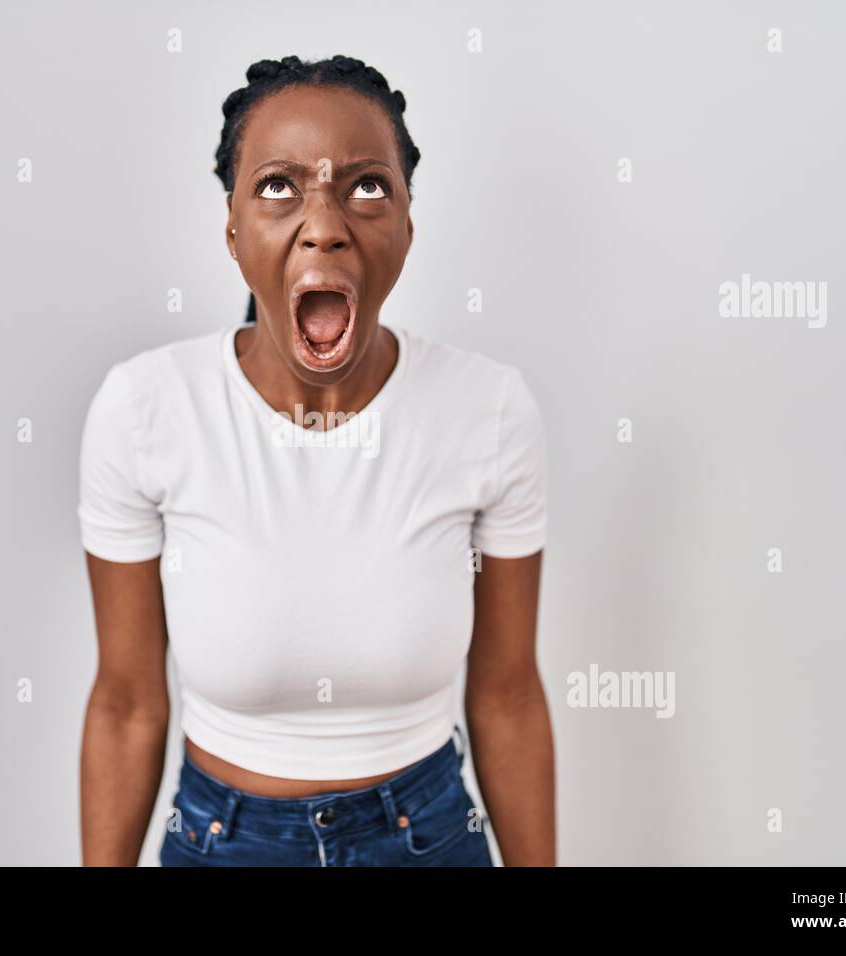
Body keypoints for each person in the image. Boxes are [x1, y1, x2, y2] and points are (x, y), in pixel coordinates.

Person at [78, 54, 554, 866]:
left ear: (409, 224)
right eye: (277, 186)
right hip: (224, 842)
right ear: (232, 229)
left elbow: (507, 694)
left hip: (430, 838)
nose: (326, 222)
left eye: (368, 186)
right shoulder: (145, 409)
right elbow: (126, 704)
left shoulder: (492, 411)